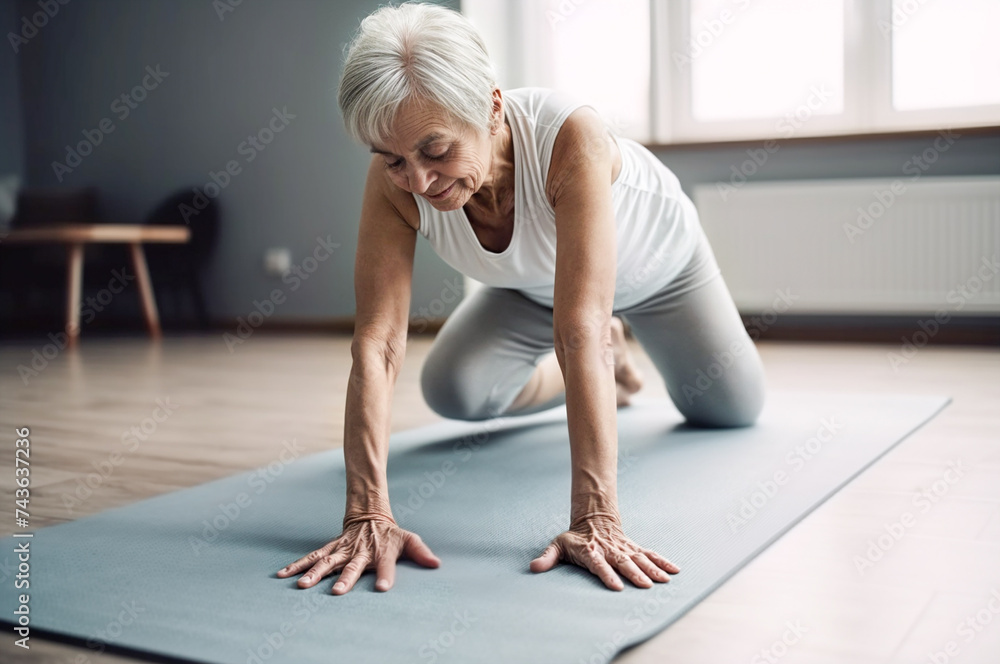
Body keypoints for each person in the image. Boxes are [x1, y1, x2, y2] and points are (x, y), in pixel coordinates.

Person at [277, 2, 765, 595]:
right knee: (455, 388)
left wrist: (596, 520)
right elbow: (377, 341)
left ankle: (614, 358)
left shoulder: (570, 136)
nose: (419, 182)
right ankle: (613, 373)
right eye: (394, 160)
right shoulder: (394, 181)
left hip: (663, 271)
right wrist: (366, 514)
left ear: (492, 107)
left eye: (436, 150)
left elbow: (580, 330)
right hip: (534, 289)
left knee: (730, 408)